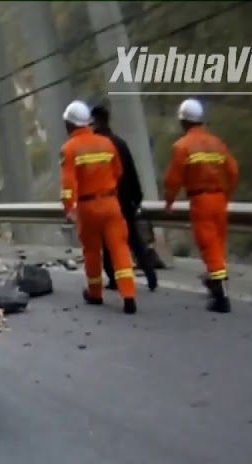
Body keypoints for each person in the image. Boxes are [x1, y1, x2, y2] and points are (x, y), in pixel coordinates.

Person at [59, 100, 138, 315]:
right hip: (111, 203)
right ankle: (129, 295)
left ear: (70, 125)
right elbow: (118, 172)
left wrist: (69, 208)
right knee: (120, 248)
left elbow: (68, 185)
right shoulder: (107, 144)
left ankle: (96, 292)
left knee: (92, 251)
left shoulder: (69, 149)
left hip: (88, 206)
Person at [163, 98, 240, 313]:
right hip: (219, 199)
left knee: (209, 247)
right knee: (219, 244)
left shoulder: (182, 146)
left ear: (184, 122)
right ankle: (216, 283)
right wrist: (226, 195)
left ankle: (221, 297)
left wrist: (169, 201)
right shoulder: (217, 143)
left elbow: (173, 179)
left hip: (201, 200)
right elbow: (233, 171)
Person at [90, 101, 158, 292]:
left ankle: (113, 278)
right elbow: (130, 172)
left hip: (105, 201)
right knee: (134, 240)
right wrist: (137, 198)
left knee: (108, 242)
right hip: (125, 200)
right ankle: (150, 275)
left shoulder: (94, 146)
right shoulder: (120, 143)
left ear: (96, 121)